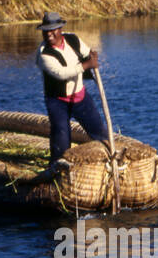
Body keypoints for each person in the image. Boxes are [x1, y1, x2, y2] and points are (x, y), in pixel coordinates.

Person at [34, 11, 111, 162]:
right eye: (45, 31)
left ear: (60, 30)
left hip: (80, 97)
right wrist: (87, 65)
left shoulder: (72, 39)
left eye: (52, 30)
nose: (49, 34)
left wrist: (92, 55)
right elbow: (62, 73)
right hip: (57, 101)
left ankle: (110, 159)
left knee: (100, 133)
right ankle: (58, 168)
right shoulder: (44, 54)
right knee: (61, 139)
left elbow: (86, 52)